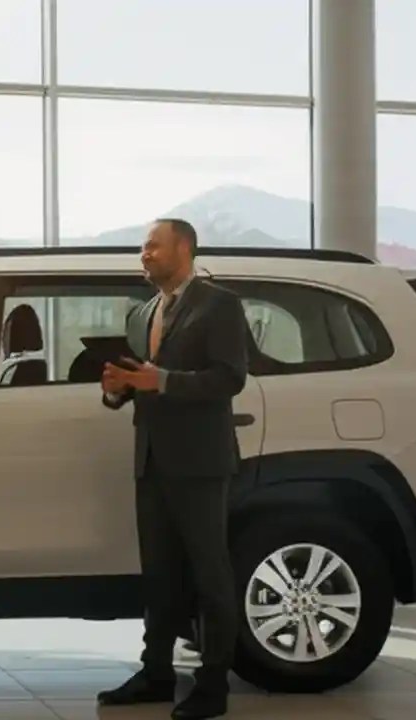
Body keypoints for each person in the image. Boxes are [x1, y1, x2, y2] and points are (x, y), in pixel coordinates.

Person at [96, 219, 250, 720]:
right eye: (143, 248)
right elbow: (143, 382)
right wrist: (117, 388)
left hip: (201, 462)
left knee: (210, 573)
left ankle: (212, 684)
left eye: (152, 246)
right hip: (152, 460)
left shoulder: (218, 304)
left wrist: (161, 381)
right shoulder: (141, 314)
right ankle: (156, 672)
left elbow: (230, 378)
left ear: (183, 248)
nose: (144, 255)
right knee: (159, 574)